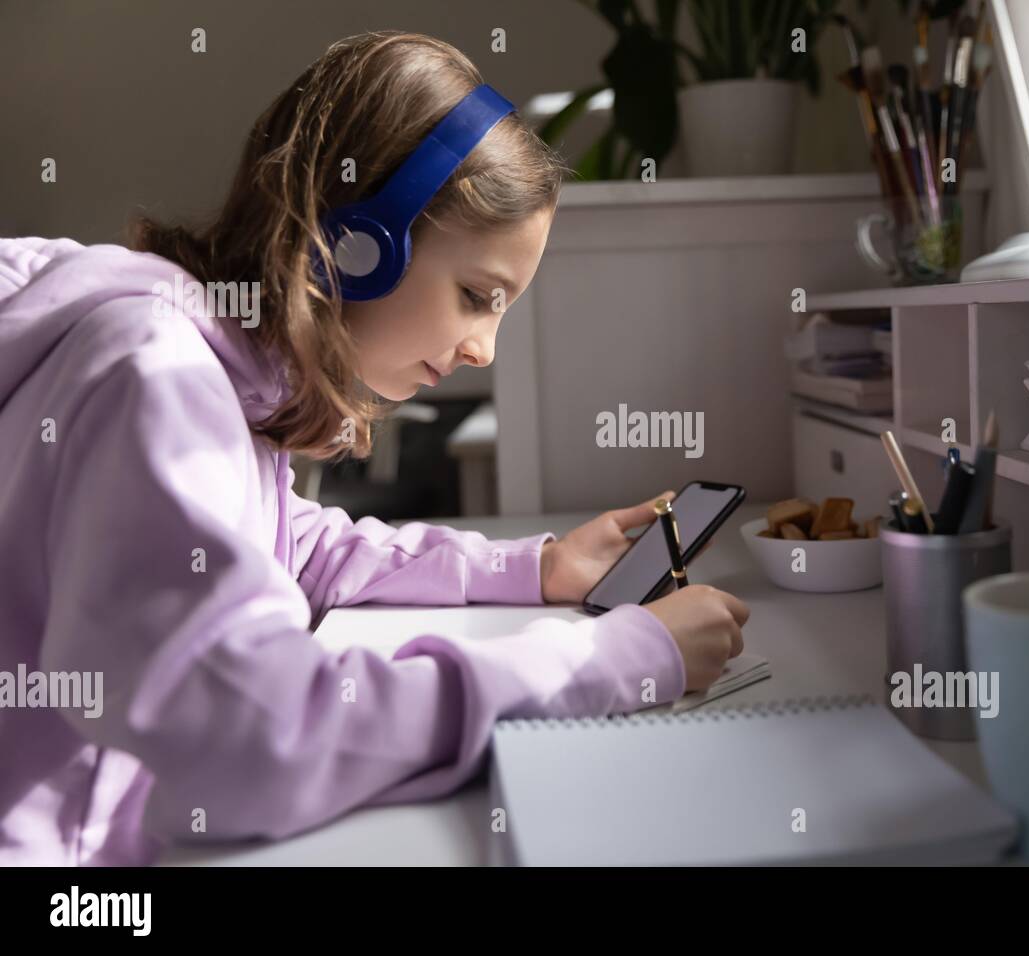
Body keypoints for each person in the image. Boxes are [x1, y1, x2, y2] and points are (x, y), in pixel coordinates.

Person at [0, 31, 748, 865]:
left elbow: (290, 547)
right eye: (476, 296)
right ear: (360, 243)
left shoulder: (220, 378)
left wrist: (533, 569)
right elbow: (253, 738)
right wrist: (611, 661)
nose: (482, 350)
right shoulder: (156, 375)